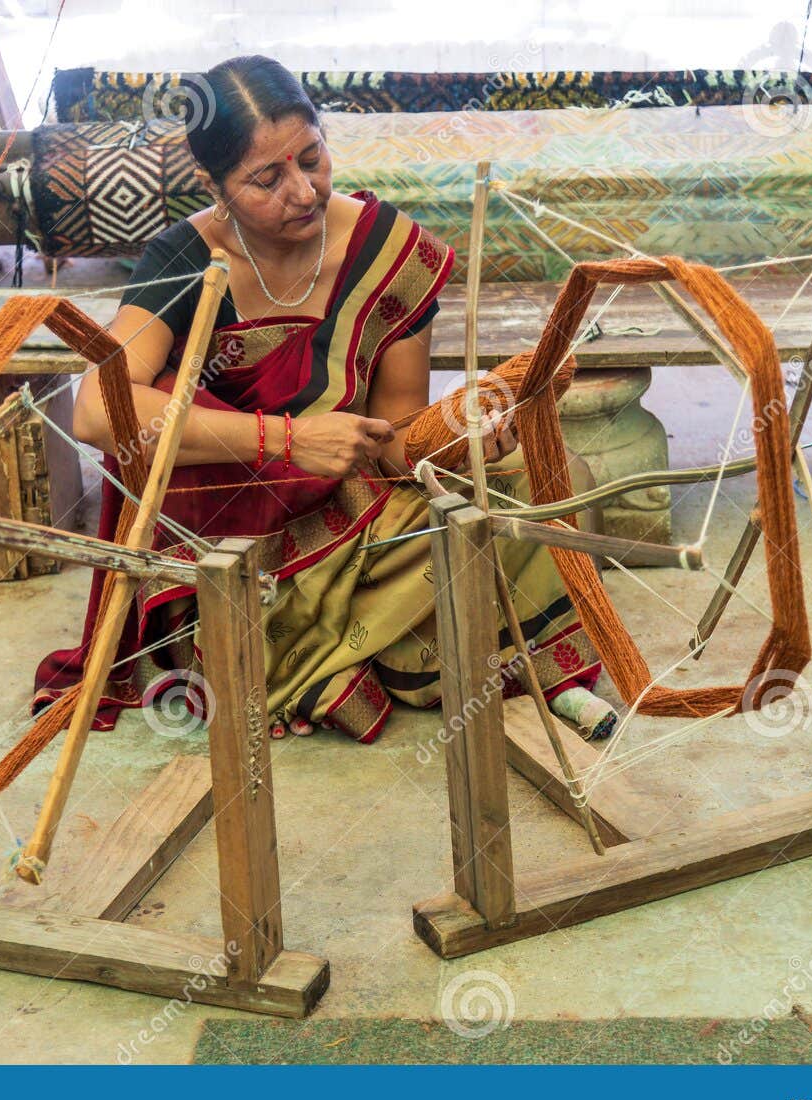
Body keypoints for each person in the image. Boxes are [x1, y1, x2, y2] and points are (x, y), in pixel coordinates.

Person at [33, 54, 611, 742]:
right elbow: (99, 412)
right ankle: (378, 650)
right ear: (210, 184)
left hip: (359, 508)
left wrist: (458, 437)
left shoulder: (389, 252)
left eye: (313, 158)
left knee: (555, 481)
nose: (303, 192)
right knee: (248, 628)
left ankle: (372, 650)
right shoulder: (185, 259)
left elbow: (395, 437)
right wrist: (285, 440)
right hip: (244, 552)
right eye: (266, 179)